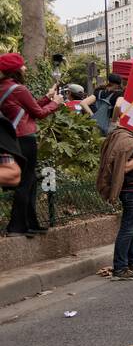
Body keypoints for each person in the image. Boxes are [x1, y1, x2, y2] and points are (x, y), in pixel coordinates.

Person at [0, 53, 64, 237]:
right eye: (23, 65)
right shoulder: (18, 89)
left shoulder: (6, 88)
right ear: (16, 70)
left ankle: (30, 223)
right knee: (25, 181)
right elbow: (39, 113)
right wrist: (56, 103)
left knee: (29, 182)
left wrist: (46, 97)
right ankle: (16, 227)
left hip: (13, 138)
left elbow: (29, 108)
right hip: (25, 138)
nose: (25, 68)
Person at [95, 100, 133, 281]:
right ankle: (120, 267)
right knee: (129, 229)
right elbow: (124, 168)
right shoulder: (124, 138)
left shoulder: (129, 135)